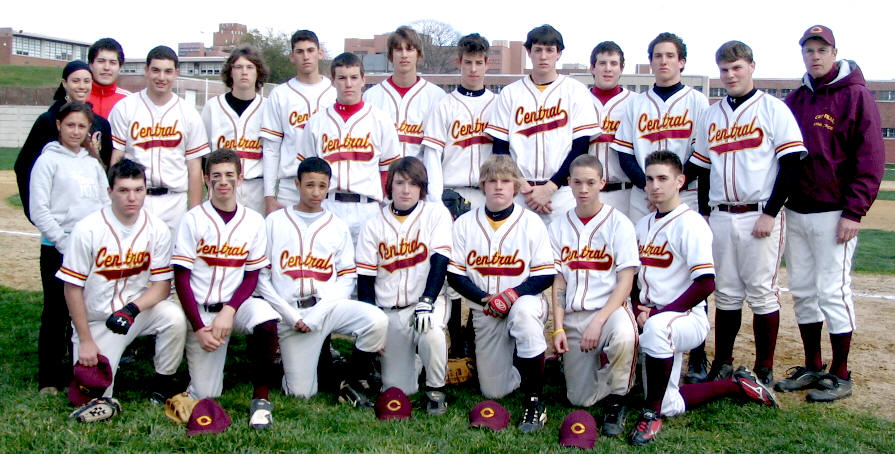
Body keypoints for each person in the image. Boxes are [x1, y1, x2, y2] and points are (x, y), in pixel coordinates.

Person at [629, 151, 778, 446]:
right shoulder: (643, 224)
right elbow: (633, 279)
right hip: (655, 315)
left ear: (680, 181)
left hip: (686, 318)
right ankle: (736, 386)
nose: (655, 185)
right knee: (670, 402)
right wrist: (637, 308)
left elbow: (706, 283)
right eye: (650, 179)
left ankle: (649, 415)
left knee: (657, 332)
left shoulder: (692, 223)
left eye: (663, 178)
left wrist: (660, 313)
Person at [687, 41, 806, 386]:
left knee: (761, 291)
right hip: (721, 213)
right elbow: (704, 167)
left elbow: (790, 165)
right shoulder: (712, 114)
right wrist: (705, 212)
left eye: (737, 67)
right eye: (724, 69)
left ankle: (764, 368)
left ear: (751, 66)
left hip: (759, 212)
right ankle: (723, 362)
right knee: (725, 291)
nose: (730, 75)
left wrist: (771, 212)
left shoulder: (773, 108)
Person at [776, 25, 884, 402]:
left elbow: (870, 158)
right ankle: (813, 365)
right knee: (803, 290)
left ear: (835, 52)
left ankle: (841, 371)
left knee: (833, 291)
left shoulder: (856, 96)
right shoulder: (796, 99)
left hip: (835, 212)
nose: (815, 56)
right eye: (809, 50)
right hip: (798, 210)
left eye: (822, 49)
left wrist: (854, 211)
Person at [611, 32, 710, 383]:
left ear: (682, 61)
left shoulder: (698, 102)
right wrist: (649, 185)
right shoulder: (635, 104)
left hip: (687, 194)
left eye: (670, 55)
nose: (663, 61)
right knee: (643, 264)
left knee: (690, 266)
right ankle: (641, 333)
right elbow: (623, 152)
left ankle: (697, 352)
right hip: (642, 197)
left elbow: (702, 154)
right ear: (650, 61)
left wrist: (672, 185)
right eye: (657, 55)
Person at [57, 159, 187, 420]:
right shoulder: (88, 229)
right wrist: (85, 340)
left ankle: (161, 386)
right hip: (96, 321)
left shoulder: (157, 228)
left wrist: (131, 309)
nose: (132, 197)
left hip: (134, 313)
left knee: (174, 318)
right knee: (97, 398)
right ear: (110, 192)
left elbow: (162, 286)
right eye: (124, 190)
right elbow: (71, 289)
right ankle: (96, 370)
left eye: (139, 190)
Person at [255, 157, 387, 402]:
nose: (316, 192)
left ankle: (351, 375)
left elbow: (348, 278)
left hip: (326, 309)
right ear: (297, 184)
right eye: (309, 185)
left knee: (376, 320)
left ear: (328, 187)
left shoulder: (337, 226)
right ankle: (289, 364)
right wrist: (290, 315)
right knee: (301, 393)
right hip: (289, 314)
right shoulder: (274, 222)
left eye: (322, 186)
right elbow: (262, 278)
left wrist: (318, 313)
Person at [172, 149, 281, 429]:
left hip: (235, 306)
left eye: (229, 175)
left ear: (240, 178)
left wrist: (231, 310)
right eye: (216, 176)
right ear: (207, 179)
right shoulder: (192, 219)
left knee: (267, 319)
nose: (223, 182)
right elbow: (181, 278)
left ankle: (261, 399)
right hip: (201, 313)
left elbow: (252, 275)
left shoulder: (254, 220)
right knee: (207, 394)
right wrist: (197, 326)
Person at [447, 154, 556, 433]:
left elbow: (545, 273)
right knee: (494, 392)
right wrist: (485, 298)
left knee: (522, 314)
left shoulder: (531, 223)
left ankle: (536, 399)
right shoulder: (464, 224)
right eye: (491, 180)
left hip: (525, 301)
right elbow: (455, 274)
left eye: (505, 181)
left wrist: (511, 295)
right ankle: (525, 364)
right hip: (486, 310)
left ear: (515, 187)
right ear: (482, 186)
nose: (498, 186)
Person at [549, 154, 639, 437]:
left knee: (624, 336)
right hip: (575, 315)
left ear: (603, 182)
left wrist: (599, 322)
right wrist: (558, 327)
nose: (584, 189)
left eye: (590, 182)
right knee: (579, 399)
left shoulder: (619, 223)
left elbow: (626, 280)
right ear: (569, 183)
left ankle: (618, 399)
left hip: (610, 311)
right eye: (578, 182)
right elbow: (559, 282)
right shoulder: (558, 226)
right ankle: (615, 371)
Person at [355, 157, 453, 414]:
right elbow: (365, 280)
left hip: (426, 301)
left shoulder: (435, 214)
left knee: (430, 329)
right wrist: (372, 325)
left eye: (413, 183)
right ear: (390, 187)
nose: (406, 190)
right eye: (399, 183)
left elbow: (440, 262)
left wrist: (427, 301)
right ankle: (416, 363)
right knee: (398, 389)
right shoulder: (373, 224)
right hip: (390, 311)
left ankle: (436, 389)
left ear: (422, 187)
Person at [420, 32, 495, 359]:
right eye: (468, 62)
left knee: (486, 262)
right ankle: (454, 334)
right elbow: (432, 155)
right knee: (452, 263)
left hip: (487, 192)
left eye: (479, 63)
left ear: (486, 64)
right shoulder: (445, 104)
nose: (474, 69)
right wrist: (436, 199)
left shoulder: (498, 103)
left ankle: (477, 329)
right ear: (459, 63)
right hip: (452, 191)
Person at [28, 101, 110, 395]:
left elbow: (104, 203)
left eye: (82, 126)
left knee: (84, 311)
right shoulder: (47, 161)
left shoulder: (92, 164)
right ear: (59, 126)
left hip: (89, 250)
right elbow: (39, 209)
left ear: (90, 130)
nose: (76, 131)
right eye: (70, 125)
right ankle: (48, 377)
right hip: (58, 247)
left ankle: (79, 368)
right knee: (56, 311)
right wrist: (64, 243)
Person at [484, 24, 600, 225]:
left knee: (563, 254)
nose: (543, 56)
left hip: (562, 193)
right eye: (538, 49)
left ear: (559, 53)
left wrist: (550, 187)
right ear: (528, 51)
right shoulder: (510, 93)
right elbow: (500, 148)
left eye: (550, 50)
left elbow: (581, 147)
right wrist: (525, 187)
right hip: (520, 192)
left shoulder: (576, 91)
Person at [299, 52, 401, 244]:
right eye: (342, 78)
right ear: (333, 81)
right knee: (326, 268)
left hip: (368, 207)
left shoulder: (380, 120)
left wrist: (385, 206)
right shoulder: (317, 122)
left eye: (354, 77)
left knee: (367, 269)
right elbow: (306, 172)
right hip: (328, 204)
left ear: (363, 80)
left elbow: (389, 170)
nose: (348, 84)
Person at [109, 46, 210, 235]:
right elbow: (117, 157)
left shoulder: (188, 113)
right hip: (136, 197)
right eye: (156, 70)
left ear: (176, 73)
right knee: (135, 259)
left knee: (172, 262)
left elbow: (194, 168)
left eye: (168, 71)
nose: (161, 77)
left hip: (175, 200)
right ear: (146, 70)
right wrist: (114, 199)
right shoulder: (125, 107)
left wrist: (194, 212)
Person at [15, 60, 112, 223]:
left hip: (92, 218)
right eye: (75, 80)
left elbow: (107, 168)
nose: (82, 86)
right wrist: (35, 213)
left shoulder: (101, 124)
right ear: (64, 84)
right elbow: (24, 165)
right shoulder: (49, 120)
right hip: (58, 217)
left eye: (86, 81)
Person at [261, 30, 336, 214]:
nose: (306, 56)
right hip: (291, 184)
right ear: (292, 56)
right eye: (300, 51)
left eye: (310, 50)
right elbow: (271, 149)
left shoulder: (335, 92)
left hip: (330, 186)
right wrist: (269, 196)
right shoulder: (280, 94)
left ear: (320, 53)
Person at [202, 44, 269, 214]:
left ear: (258, 72)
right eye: (238, 67)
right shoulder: (213, 107)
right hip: (221, 186)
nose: (244, 72)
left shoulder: (268, 107)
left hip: (256, 187)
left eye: (250, 67)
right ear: (230, 72)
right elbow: (203, 155)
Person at [363, 25, 446, 159]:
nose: (404, 55)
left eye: (409, 49)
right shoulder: (371, 97)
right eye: (398, 49)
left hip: (421, 176)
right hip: (382, 176)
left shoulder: (436, 96)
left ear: (418, 53)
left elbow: (437, 152)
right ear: (390, 55)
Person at [587, 41, 634, 219]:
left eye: (614, 63)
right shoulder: (579, 100)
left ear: (621, 68)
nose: (608, 69)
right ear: (592, 68)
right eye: (602, 63)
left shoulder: (635, 102)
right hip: (587, 191)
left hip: (625, 191)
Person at [87, 38, 130, 121]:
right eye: (101, 61)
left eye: (112, 62)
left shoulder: (129, 101)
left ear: (120, 67)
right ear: (91, 65)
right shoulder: (78, 97)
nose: (106, 67)